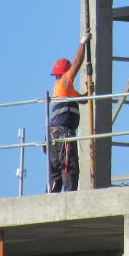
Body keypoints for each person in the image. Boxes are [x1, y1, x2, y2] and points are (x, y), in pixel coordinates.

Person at [48, 31, 89, 192]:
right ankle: (69, 205)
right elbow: (78, 62)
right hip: (63, 135)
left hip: (54, 137)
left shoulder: (65, 89)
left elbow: (83, 100)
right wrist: (83, 43)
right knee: (69, 171)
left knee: (56, 176)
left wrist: (90, 92)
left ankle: (50, 204)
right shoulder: (64, 82)